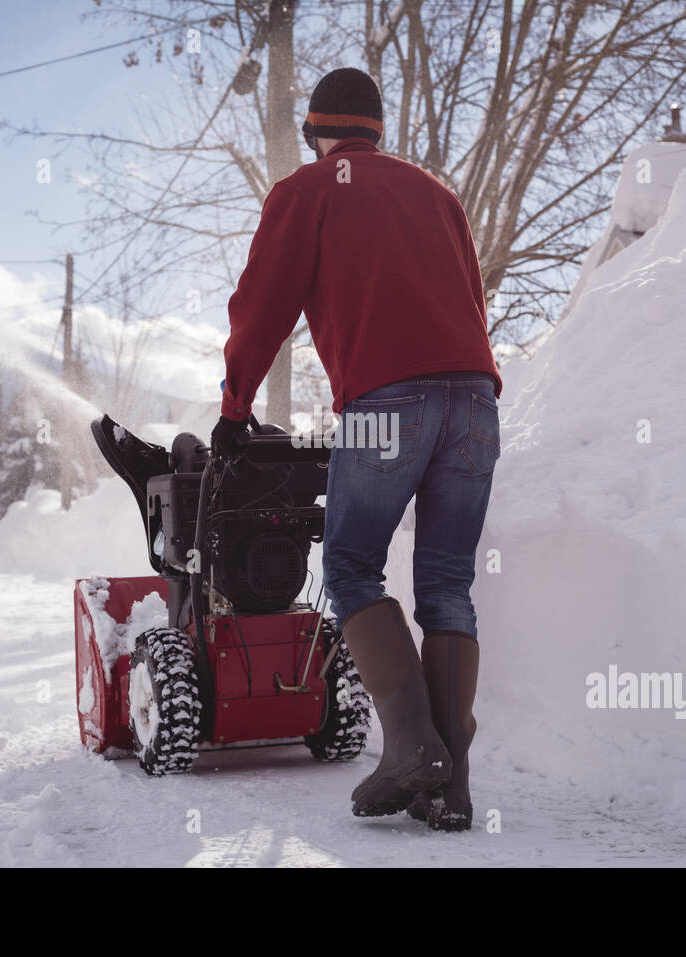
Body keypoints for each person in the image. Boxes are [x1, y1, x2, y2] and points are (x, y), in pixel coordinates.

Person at [211, 67, 501, 831]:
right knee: (446, 580)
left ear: (317, 135)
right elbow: (471, 300)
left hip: (384, 406)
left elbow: (262, 305)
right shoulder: (438, 194)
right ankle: (449, 783)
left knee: (347, 562)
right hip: (475, 402)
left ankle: (410, 745)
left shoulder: (307, 192)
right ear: (377, 134)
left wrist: (234, 407)